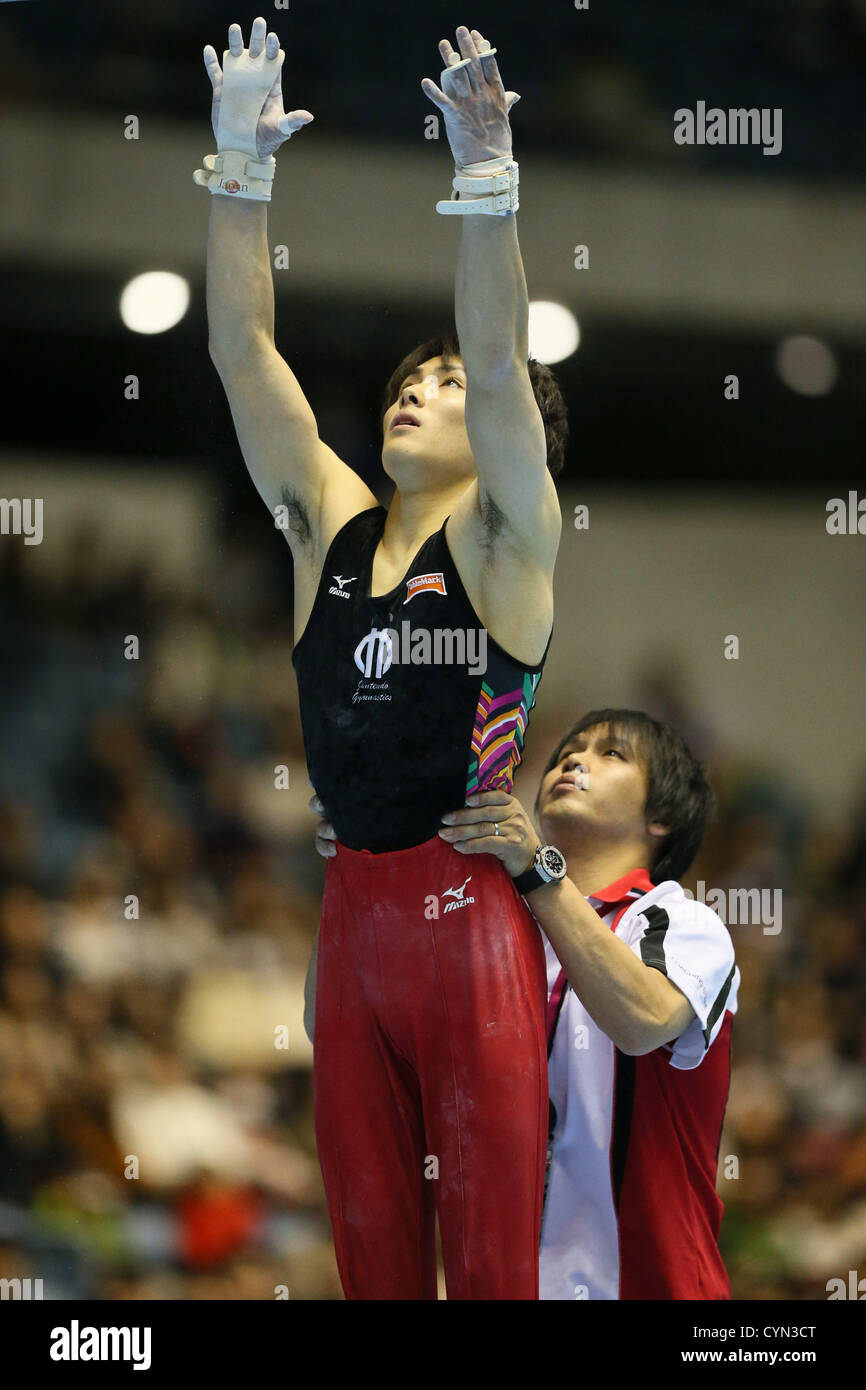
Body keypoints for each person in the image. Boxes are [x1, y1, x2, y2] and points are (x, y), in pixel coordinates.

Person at [199, 18, 567, 1299]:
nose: (417, 389)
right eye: (410, 378)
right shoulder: (329, 530)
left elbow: (510, 367)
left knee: (486, 1272)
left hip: (469, 920)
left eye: (447, 384)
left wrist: (485, 182)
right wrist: (237, 173)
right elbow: (244, 359)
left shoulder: (512, 536)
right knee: (372, 1270)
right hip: (352, 922)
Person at [313, 709, 740, 1299]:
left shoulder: (682, 922)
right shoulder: (488, 930)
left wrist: (535, 867)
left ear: (661, 816)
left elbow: (641, 1022)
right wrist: (357, 872)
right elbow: (331, 1023)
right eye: (569, 748)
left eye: (610, 754)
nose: (574, 759)